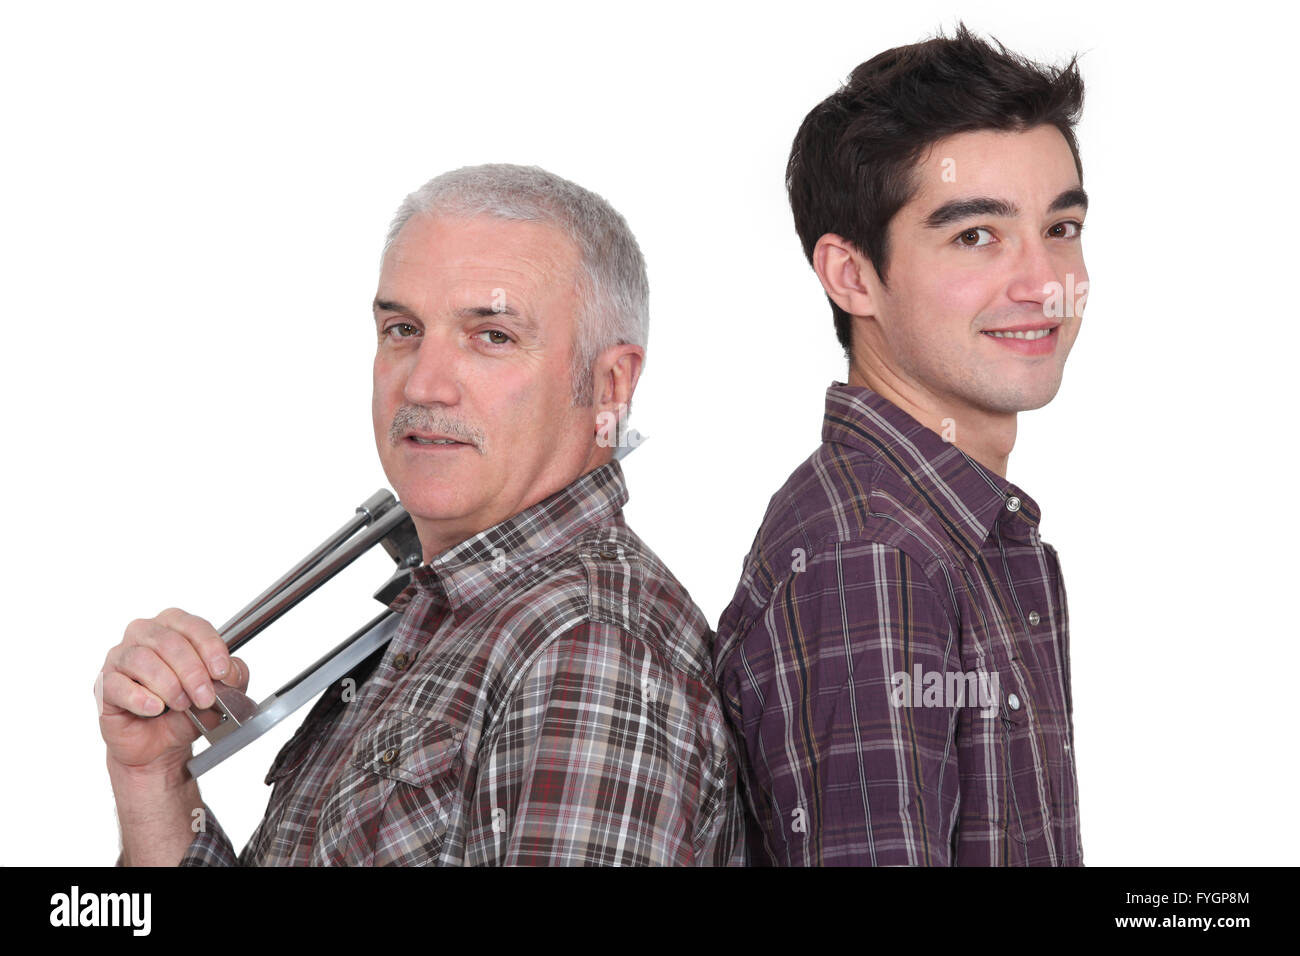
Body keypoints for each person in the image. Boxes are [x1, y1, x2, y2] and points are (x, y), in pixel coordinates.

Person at [97, 163, 745, 866]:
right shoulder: (450, 611)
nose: (424, 383)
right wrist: (154, 780)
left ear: (609, 384)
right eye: (403, 329)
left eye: (491, 336)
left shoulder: (587, 648)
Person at [713, 24, 1087, 865]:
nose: (1042, 284)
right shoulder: (874, 558)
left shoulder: (963, 530)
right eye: (975, 236)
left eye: (1060, 229)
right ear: (852, 276)